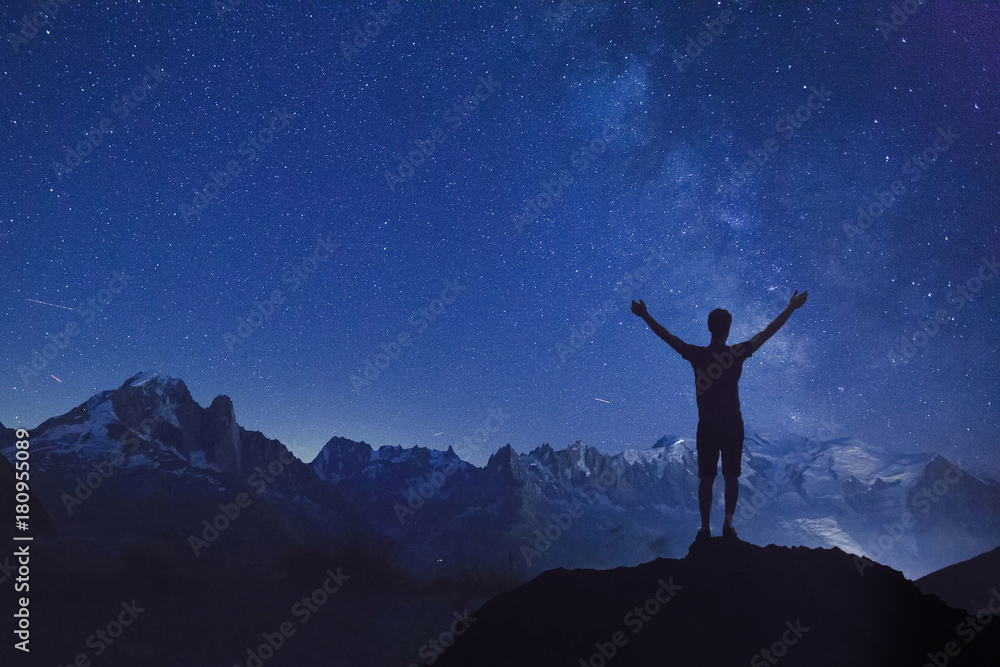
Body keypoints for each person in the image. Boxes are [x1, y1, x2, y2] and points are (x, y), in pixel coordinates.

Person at [630, 290, 808, 542]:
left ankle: (704, 528)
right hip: (732, 422)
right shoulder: (736, 354)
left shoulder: (697, 355)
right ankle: (728, 525)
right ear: (728, 329)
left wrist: (645, 315)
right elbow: (767, 333)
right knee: (732, 475)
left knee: (706, 477)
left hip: (708, 424)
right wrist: (790, 308)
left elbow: (668, 337)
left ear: (708, 327)